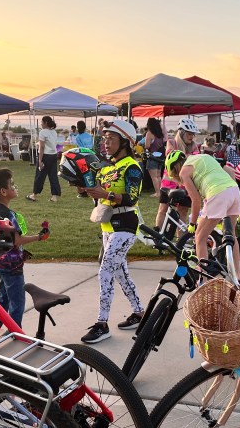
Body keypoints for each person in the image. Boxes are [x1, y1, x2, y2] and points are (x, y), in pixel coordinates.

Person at [79, 120, 145, 344]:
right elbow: (97, 193)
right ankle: (139, 313)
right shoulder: (106, 167)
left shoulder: (132, 166)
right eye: (104, 138)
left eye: (111, 139)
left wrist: (105, 194)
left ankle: (101, 324)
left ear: (124, 142)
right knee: (120, 273)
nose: (106, 143)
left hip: (126, 224)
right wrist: (85, 189)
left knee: (106, 271)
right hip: (107, 226)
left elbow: (132, 197)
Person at [0, 168, 48, 327]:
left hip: (0, 263)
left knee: (3, 298)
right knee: (17, 302)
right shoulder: (7, 215)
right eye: (12, 185)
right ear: (3, 191)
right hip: (12, 266)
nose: (14, 187)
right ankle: (16, 334)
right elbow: (17, 241)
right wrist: (39, 237)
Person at [166, 148, 240, 280]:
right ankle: (237, 274)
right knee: (231, 235)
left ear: (174, 169)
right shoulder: (203, 157)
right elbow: (228, 171)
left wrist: (192, 224)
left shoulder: (184, 171)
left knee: (200, 237)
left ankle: (203, 276)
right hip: (234, 190)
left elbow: (195, 200)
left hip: (217, 193)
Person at [155, 117, 200, 230]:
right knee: (163, 209)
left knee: (183, 212)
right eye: (189, 134)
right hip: (168, 185)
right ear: (181, 132)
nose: (192, 137)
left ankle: (181, 241)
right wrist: (187, 156)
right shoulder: (171, 142)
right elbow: (171, 154)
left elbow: (197, 159)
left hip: (186, 185)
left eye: (193, 134)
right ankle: (157, 235)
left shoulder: (194, 146)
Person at [28, 115, 61, 202]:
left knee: (40, 176)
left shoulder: (43, 132)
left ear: (46, 123)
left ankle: (34, 195)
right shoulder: (54, 132)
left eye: (42, 122)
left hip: (45, 156)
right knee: (53, 176)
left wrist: (40, 160)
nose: (41, 124)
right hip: (53, 156)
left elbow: (42, 147)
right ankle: (54, 196)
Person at [143, 117, 165, 197]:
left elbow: (147, 145)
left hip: (152, 156)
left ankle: (157, 193)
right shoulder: (160, 134)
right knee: (158, 176)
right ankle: (160, 192)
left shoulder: (149, 133)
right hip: (160, 156)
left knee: (154, 177)